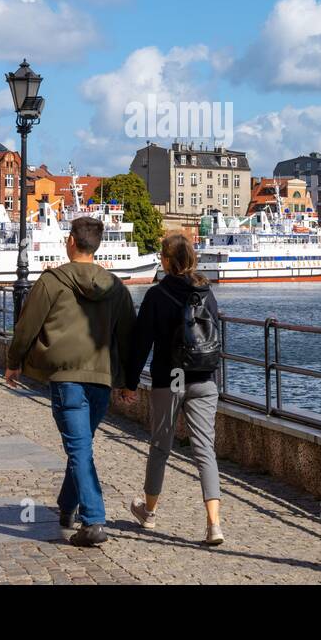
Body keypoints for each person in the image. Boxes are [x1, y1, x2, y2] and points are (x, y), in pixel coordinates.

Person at [4, 216, 136, 548]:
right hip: (102, 378)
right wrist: (128, 381)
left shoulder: (52, 282)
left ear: (71, 242)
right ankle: (67, 506)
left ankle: (93, 520)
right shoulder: (116, 287)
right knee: (81, 446)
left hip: (66, 378)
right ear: (97, 245)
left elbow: (26, 326)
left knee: (79, 448)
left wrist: (13, 363)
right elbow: (129, 337)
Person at [124, 232, 224, 546]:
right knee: (205, 450)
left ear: (167, 261)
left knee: (160, 446)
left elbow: (140, 343)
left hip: (171, 379)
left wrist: (128, 383)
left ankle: (148, 512)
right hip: (204, 378)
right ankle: (214, 525)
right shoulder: (205, 292)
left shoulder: (156, 295)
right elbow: (216, 332)